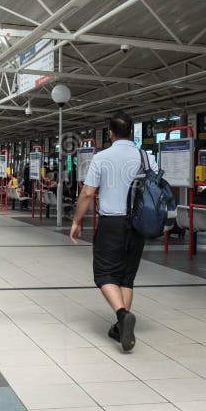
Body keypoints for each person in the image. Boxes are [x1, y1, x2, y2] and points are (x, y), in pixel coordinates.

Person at [70, 112, 144, 352]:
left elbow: (88, 193)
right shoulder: (146, 157)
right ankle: (120, 327)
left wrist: (77, 221)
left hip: (112, 222)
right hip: (138, 224)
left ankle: (122, 315)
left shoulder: (102, 157)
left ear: (110, 133)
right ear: (131, 132)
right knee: (127, 276)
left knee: (103, 274)